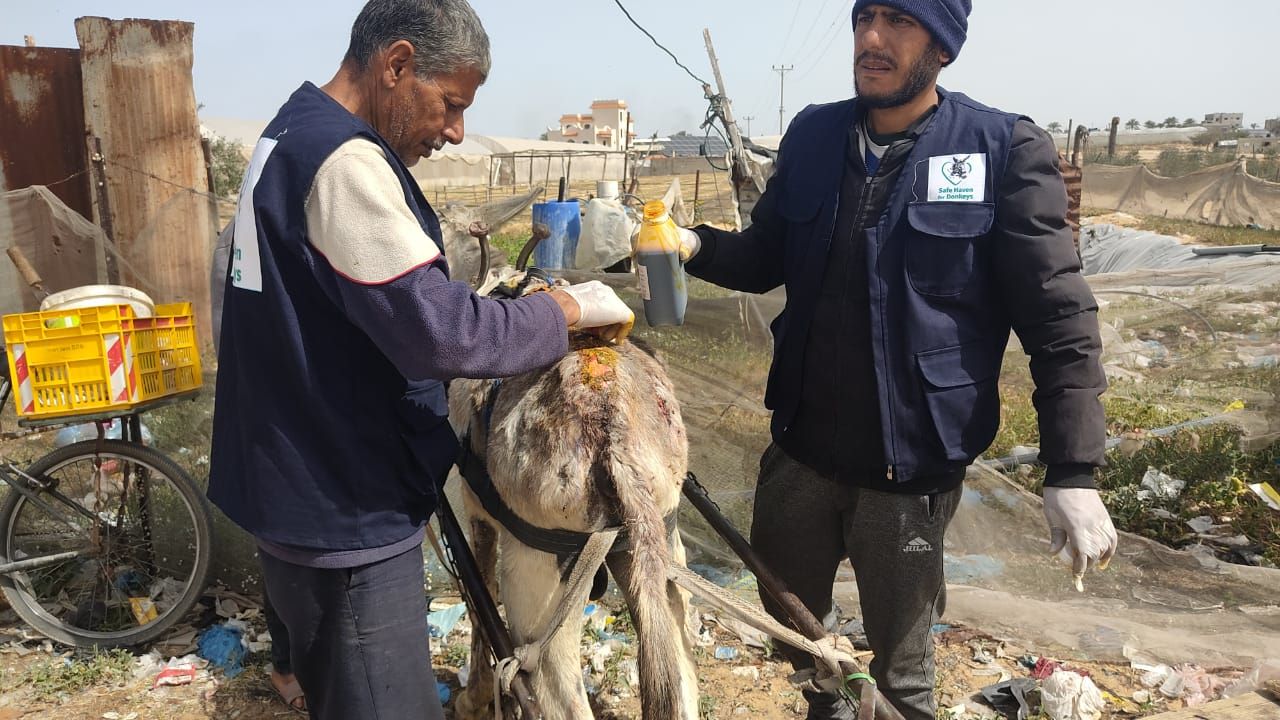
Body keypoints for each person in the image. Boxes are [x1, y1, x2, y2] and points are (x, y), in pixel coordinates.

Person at [674, 2, 1118, 719]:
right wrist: (691, 244)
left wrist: (1073, 470)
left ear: (942, 47)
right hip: (802, 450)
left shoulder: (999, 148)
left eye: (900, 21)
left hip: (909, 471)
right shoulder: (817, 134)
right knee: (804, 640)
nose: (872, 39)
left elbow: (1058, 315)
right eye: (865, 17)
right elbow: (765, 256)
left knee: (902, 672)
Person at [207, 1, 632, 718]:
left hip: (294, 489)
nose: (456, 131)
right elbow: (445, 337)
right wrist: (560, 311)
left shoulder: (287, 133)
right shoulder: (343, 163)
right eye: (450, 104)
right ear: (397, 65)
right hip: (346, 512)